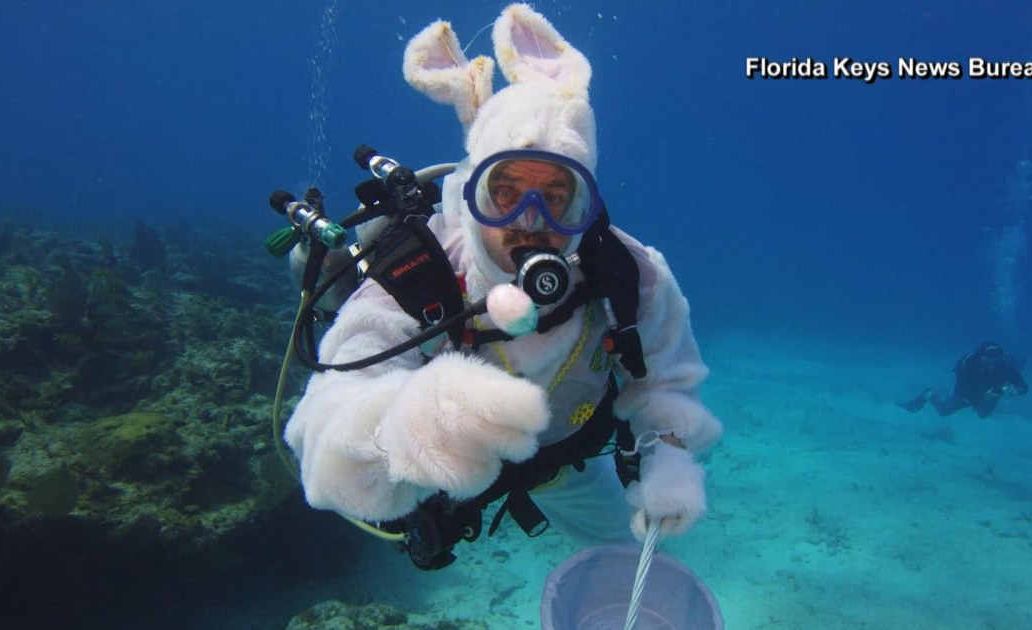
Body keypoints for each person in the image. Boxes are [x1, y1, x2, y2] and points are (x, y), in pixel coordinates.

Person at [282, 4, 722, 569]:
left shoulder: (630, 274)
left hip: (564, 465)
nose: (531, 221)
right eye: (506, 192)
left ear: (585, 205)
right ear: (473, 193)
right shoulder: (415, 275)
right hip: (450, 477)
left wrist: (669, 456)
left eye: (555, 196)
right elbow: (323, 436)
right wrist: (416, 424)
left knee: (637, 562)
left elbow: (666, 380)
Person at [898, 341, 1029, 418]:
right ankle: (929, 394)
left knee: (983, 415)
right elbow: (962, 387)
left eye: (996, 358)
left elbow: (1024, 387)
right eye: (988, 357)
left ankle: (1017, 364)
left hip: (991, 395)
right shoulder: (968, 363)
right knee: (944, 411)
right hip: (965, 395)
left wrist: (1015, 391)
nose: (992, 362)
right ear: (981, 355)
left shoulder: (1004, 367)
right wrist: (985, 396)